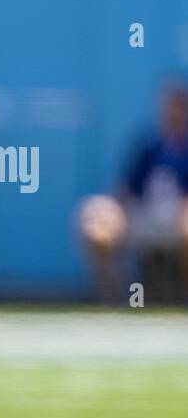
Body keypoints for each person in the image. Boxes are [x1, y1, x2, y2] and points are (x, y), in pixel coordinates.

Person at [78, 81, 188, 303]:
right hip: (145, 216)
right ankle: (118, 299)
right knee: (96, 219)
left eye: (178, 106)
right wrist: (112, 212)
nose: (172, 112)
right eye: (168, 106)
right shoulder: (149, 146)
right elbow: (125, 187)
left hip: (179, 217)